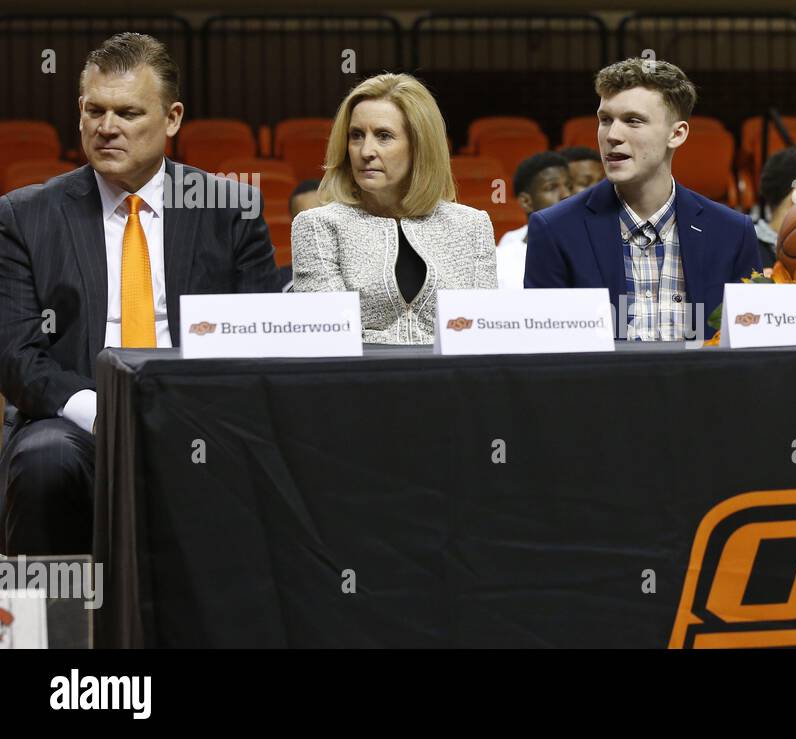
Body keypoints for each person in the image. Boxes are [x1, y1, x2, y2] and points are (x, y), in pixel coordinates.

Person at [0, 33, 280, 555]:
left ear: (171, 118)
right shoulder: (25, 216)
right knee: (44, 460)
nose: (107, 128)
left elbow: (257, 340)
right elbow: (15, 356)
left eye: (128, 112)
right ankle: (51, 632)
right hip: (72, 420)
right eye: (94, 110)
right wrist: (102, 410)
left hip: (200, 414)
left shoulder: (229, 210)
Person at [525, 58, 761, 341]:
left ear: (676, 134)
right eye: (605, 120)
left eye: (633, 121)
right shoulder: (554, 229)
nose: (612, 135)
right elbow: (545, 356)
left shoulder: (732, 232)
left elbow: (750, 350)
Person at [292, 73, 497, 343]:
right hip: (359, 379)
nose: (366, 151)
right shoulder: (318, 226)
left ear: (420, 146)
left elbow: (483, 335)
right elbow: (328, 338)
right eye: (356, 136)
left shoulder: (472, 226)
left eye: (384, 136)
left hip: (452, 379)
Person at [497, 152, 574, 289]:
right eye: (551, 187)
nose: (566, 195)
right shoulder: (502, 259)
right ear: (526, 202)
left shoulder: (590, 248)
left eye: (569, 186)